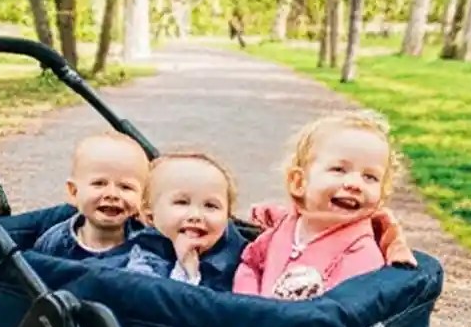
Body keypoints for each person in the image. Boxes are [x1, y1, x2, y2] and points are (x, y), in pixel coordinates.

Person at [234, 111, 416, 301]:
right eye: (339, 170)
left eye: (370, 177)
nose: (355, 184)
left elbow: (341, 309)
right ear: (299, 182)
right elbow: (250, 264)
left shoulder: (361, 252)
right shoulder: (285, 227)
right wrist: (248, 302)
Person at [103, 151, 246, 291]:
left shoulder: (241, 257)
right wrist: (186, 272)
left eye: (211, 206)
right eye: (182, 203)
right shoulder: (142, 261)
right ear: (150, 216)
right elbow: (149, 303)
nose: (196, 215)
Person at [33, 131, 150, 259]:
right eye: (99, 183)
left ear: (143, 197)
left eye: (125, 187)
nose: (112, 194)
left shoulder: (148, 244)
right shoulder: (54, 243)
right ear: (74, 192)